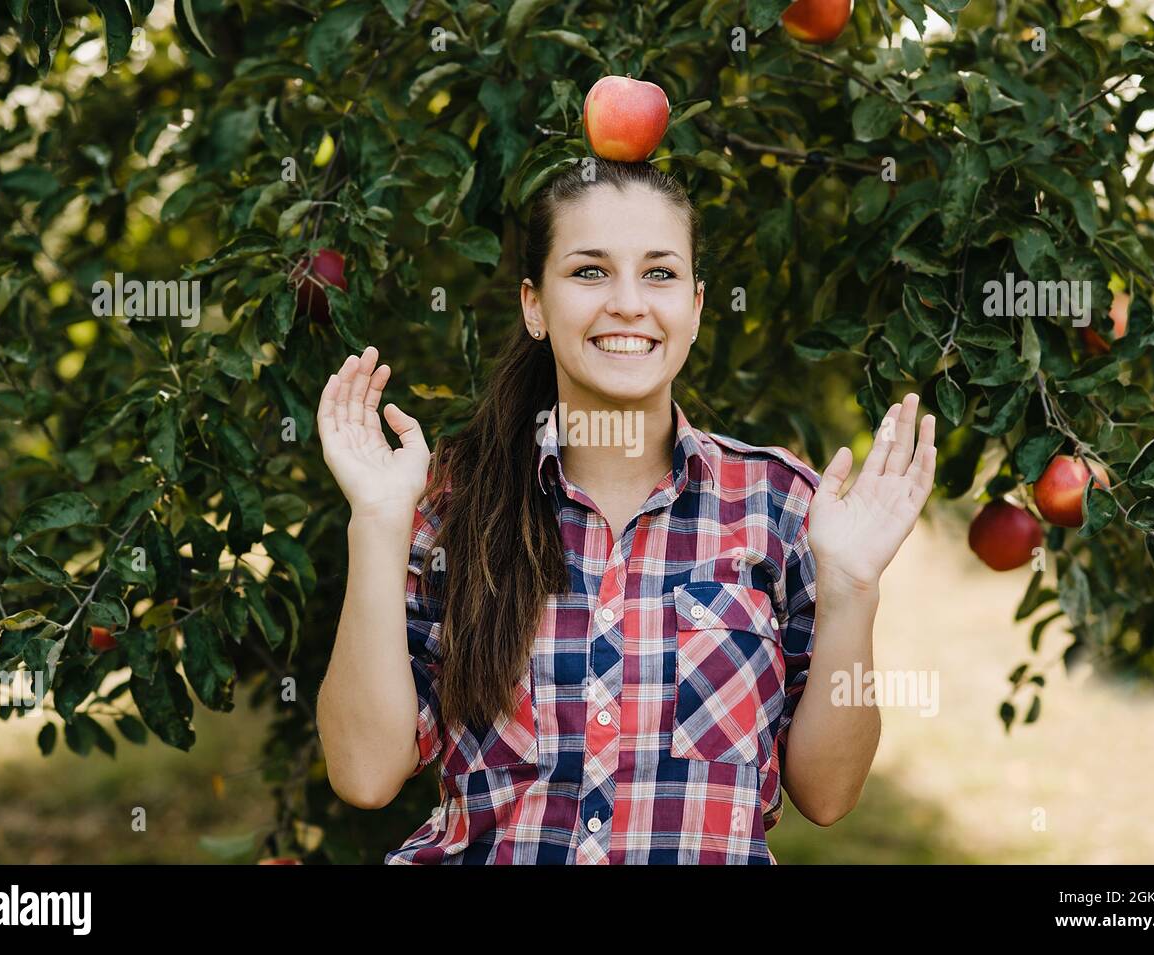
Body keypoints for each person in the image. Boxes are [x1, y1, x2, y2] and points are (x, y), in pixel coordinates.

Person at [314, 159, 936, 864]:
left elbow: (828, 793)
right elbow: (364, 772)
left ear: (697, 306)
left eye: (660, 273)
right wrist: (375, 521)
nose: (629, 303)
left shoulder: (780, 505)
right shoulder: (453, 503)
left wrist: (853, 591)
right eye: (589, 271)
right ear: (534, 305)